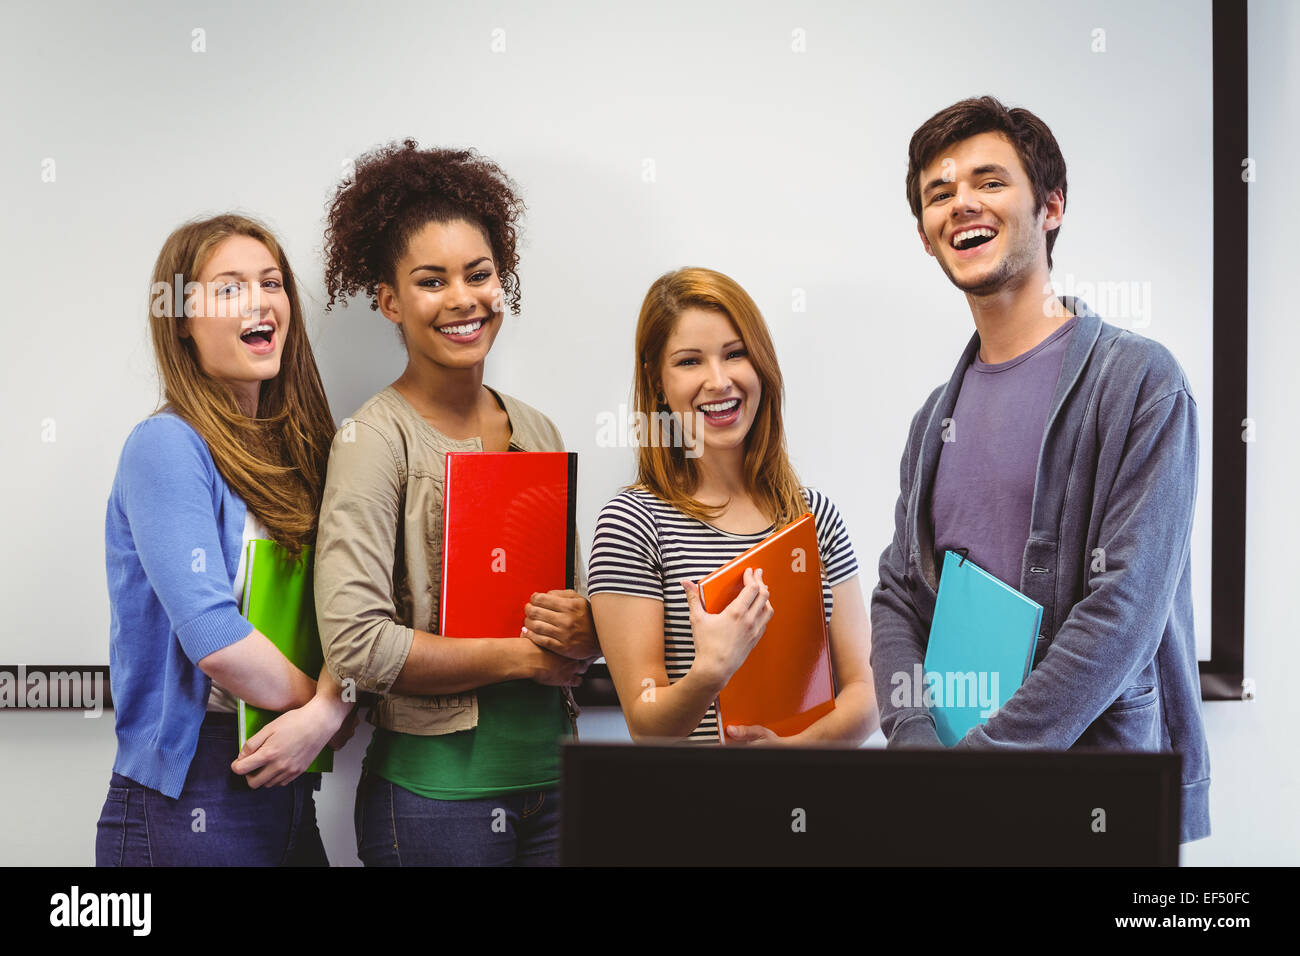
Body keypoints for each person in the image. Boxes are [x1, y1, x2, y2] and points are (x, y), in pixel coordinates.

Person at [871, 95, 1210, 842]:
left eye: (989, 181)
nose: (961, 203)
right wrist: (918, 742)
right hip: (959, 798)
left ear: (1051, 205)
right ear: (927, 237)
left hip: (1089, 801)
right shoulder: (934, 419)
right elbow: (898, 595)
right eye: (939, 193)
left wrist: (982, 771)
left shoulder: (1142, 384)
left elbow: (1123, 612)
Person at [315, 141, 597, 867]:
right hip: (435, 802)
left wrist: (586, 626)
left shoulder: (538, 431)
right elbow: (356, 645)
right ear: (389, 302)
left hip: (561, 786)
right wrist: (521, 659)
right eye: (431, 281)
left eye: (479, 274)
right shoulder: (373, 441)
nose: (463, 298)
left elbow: (566, 619)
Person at [97, 214, 356, 866]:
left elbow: (350, 612)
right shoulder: (166, 446)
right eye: (230, 287)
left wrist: (323, 716)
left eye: (271, 283)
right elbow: (212, 636)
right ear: (181, 317)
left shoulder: (301, 455)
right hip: (189, 790)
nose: (260, 300)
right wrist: (324, 709)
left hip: (287, 777)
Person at [588, 267, 878, 745]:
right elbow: (646, 726)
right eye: (689, 362)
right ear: (656, 381)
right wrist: (712, 670)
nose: (718, 381)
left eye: (734, 354)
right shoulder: (632, 523)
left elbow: (865, 691)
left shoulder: (815, 515)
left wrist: (791, 752)